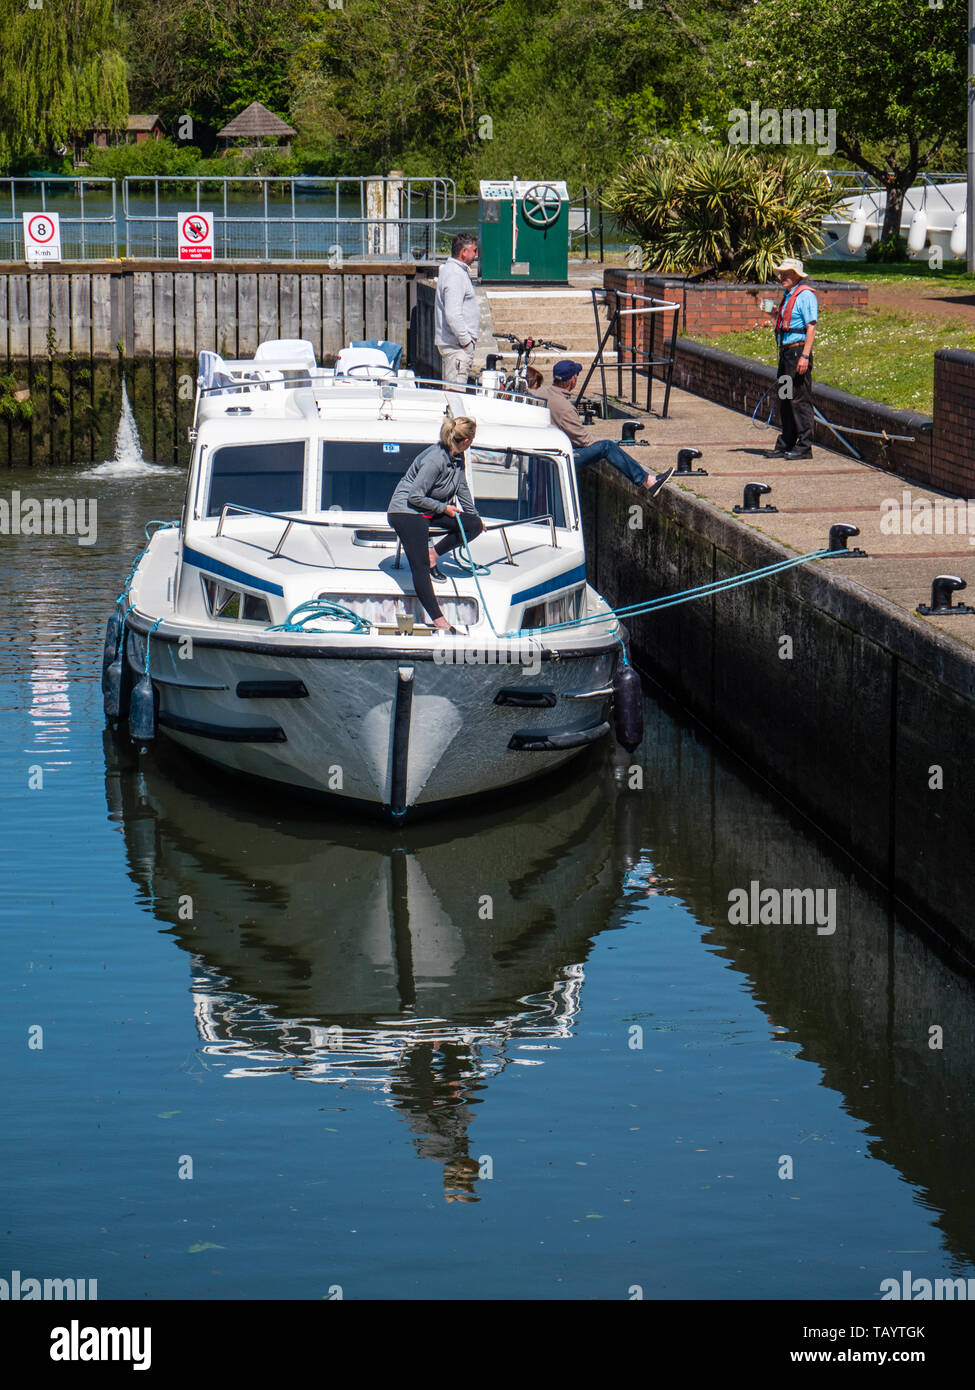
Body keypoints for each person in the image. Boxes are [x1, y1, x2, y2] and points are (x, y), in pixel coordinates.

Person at [387, 416, 484, 631]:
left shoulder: (458, 457)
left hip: (429, 508)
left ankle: (434, 554)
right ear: (467, 441)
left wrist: (474, 515)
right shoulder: (435, 460)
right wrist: (444, 509)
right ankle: (438, 619)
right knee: (419, 566)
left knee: (473, 525)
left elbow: (462, 487)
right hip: (407, 511)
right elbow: (414, 496)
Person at [534, 361, 674, 494]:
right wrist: (604, 445)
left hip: (538, 452)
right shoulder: (565, 408)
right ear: (571, 380)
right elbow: (584, 440)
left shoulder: (540, 393)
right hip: (558, 459)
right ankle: (648, 481)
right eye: (576, 375)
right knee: (606, 447)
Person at [766, 256, 818, 459]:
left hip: (797, 354)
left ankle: (804, 446)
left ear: (797, 276)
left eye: (786, 274)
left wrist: (805, 356)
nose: (782, 277)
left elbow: (811, 326)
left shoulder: (805, 296)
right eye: (781, 273)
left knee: (799, 399)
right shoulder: (789, 295)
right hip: (787, 354)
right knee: (786, 398)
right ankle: (786, 441)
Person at [435, 234, 480, 387]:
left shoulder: (455, 272)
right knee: (455, 395)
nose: (476, 255)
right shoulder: (455, 274)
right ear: (463, 252)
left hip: (456, 346)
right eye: (474, 251)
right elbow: (453, 314)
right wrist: (466, 342)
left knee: (454, 393)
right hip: (456, 347)